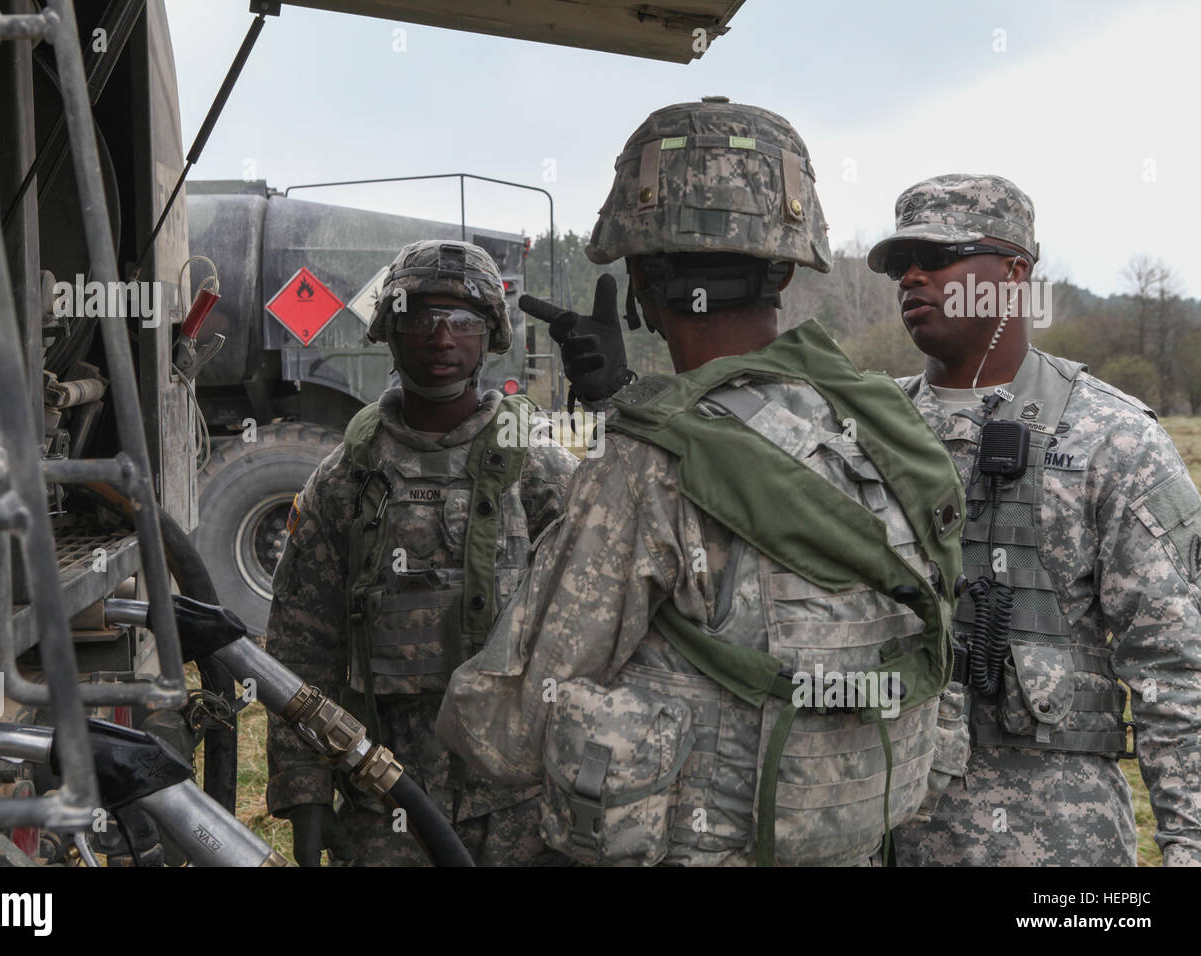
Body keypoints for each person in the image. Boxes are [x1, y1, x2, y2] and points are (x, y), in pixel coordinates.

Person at [435, 98, 968, 867]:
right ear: (785, 267)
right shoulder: (892, 427)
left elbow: (510, 719)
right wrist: (629, 402)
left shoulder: (646, 468)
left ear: (641, 277)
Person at [865, 173, 1201, 866]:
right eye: (901, 263)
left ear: (1014, 273)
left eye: (939, 255)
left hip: (1055, 851)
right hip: (882, 838)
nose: (913, 277)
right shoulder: (863, 432)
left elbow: (1178, 671)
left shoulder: (1111, 437)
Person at [264, 239, 579, 865]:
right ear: (390, 331)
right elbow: (304, 646)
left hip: (520, 809)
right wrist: (304, 794)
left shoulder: (540, 471)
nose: (442, 338)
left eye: (463, 321)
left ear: (491, 335)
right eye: (420, 318)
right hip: (386, 807)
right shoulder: (346, 479)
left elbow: (590, 636)